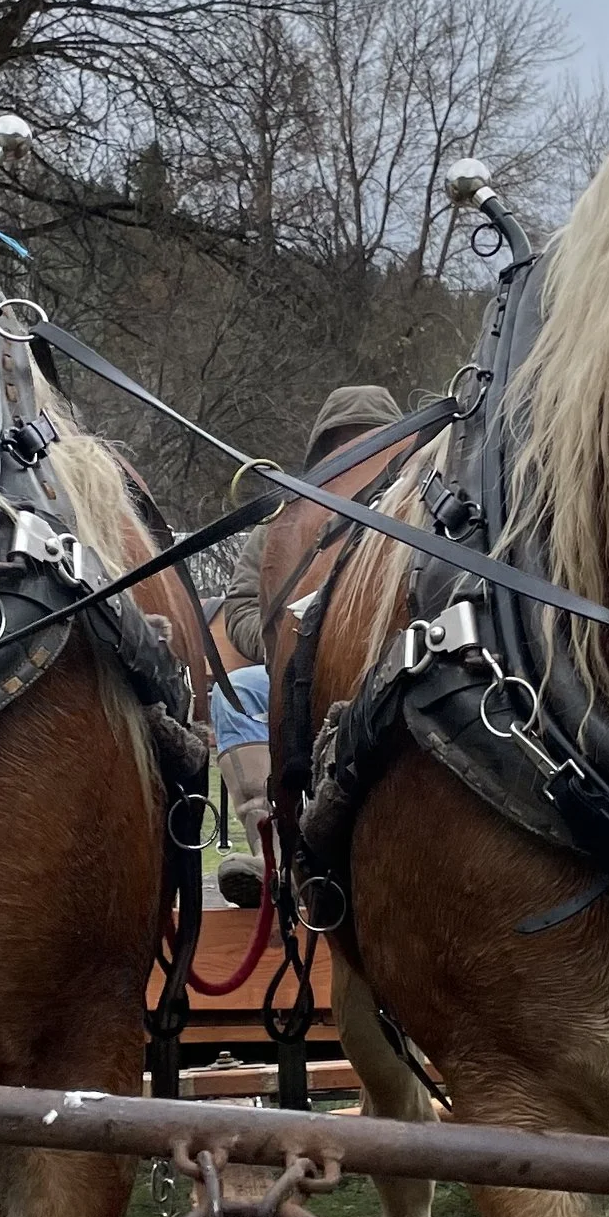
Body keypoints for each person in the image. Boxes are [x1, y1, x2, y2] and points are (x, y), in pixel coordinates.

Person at [214, 382, 401, 905]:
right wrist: (294, 638)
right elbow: (242, 610)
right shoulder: (285, 524)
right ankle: (274, 852)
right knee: (239, 691)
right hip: (301, 674)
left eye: (368, 442)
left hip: (399, 665)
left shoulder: (423, 505)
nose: (356, 455)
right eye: (344, 443)